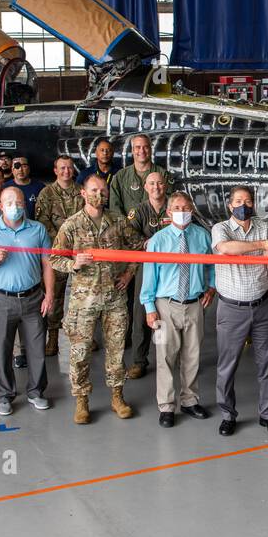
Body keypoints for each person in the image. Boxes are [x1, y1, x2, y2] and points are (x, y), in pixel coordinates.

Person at [50, 175, 138, 425]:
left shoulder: (118, 221)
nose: (98, 194)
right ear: (83, 193)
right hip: (83, 301)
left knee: (116, 350)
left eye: (102, 190)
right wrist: (73, 264)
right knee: (80, 352)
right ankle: (81, 400)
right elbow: (54, 258)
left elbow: (138, 247)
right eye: (93, 189)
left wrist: (129, 274)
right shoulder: (72, 224)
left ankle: (117, 397)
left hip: (114, 298)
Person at [0, 186, 56, 416]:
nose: (15, 207)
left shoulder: (37, 229)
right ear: (0, 206)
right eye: (10, 203)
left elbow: (47, 263)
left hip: (33, 298)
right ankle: (5, 395)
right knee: (1, 349)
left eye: (19, 203)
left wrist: (49, 294)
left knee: (37, 348)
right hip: (2, 300)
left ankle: (36, 392)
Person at [211, 185, 268, 436]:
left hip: (263, 305)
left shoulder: (263, 226)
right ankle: (227, 414)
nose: (244, 205)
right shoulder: (220, 228)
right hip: (232, 308)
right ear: (230, 205)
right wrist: (263, 244)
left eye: (248, 201)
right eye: (239, 201)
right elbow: (226, 248)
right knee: (227, 365)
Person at [140, 191, 216, 427]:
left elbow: (213, 265)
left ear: (192, 210)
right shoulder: (158, 242)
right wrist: (149, 307)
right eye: (177, 208)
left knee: (192, 356)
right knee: (165, 356)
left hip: (193, 306)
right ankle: (166, 406)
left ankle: (190, 400)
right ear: (168, 211)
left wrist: (211, 287)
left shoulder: (202, 236)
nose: (182, 213)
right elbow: (149, 277)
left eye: (186, 208)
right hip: (165, 307)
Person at [35, 156, 85, 358]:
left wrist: (78, 245)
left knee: (83, 296)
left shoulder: (82, 192)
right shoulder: (46, 193)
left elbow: (89, 217)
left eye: (69, 168)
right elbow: (42, 222)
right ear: (55, 170)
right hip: (57, 254)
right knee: (54, 297)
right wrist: (63, 244)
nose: (66, 171)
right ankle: (53, 338)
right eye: (62, 168)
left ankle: (84, 336)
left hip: (80, 253)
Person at [124, 171, 170, 379]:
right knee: (142, 313)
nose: (156, 187)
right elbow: (128, 235)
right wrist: (145, 244)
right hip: (147, 266)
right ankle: (139, 361)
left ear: (165, 185)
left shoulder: (174, 207)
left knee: (165, 312)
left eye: (160, 183)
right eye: (152, 183)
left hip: (172, 268)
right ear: (145, 187)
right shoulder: (139, 211)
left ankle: (165, 357)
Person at [110, 134, 173, 217]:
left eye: (146, 147)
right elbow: (115, 207)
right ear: (132, 150)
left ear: (151, 150)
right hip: (127, 227)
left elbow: (169, 204)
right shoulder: (120, 176)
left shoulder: (163, 175)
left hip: (156, 226)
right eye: (138, 147)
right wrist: (125, 227)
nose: (142, 151)